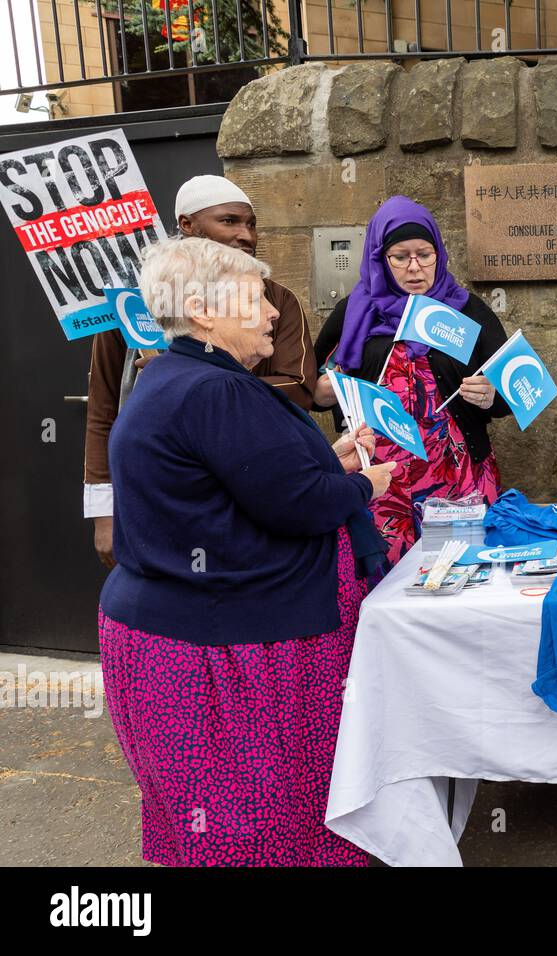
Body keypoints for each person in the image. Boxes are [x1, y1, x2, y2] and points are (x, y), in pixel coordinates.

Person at [98, 236, 397, 866]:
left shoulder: (176, 378)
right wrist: (363, 483)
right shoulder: (216, 391)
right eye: (257, 298)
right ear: (204, 311)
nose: (271, 313)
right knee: (258, 817)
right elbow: (297, 505)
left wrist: (330, 459)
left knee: (211, 817)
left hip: (180, 632)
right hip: (232, 646)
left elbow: (246, 483)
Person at [84, 175, 317, 569]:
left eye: (251, 223)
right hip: (153, 488)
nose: (246, 234)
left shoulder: (275, 299)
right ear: (188, 225)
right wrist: (103, 510)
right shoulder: (131, 301)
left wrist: (188, 377)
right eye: (229, 221)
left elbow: (298, 387)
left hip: (244, 484)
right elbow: (104, 407)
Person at [314, 195, 509, 566]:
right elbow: (313, 386)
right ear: (379, 258)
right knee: (387, 580)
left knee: (466, 571)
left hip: (459, 475)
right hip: (382, 482)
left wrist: (490, 396)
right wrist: (324, 391)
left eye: (425, 254)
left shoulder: (467, 309)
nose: (415, 267)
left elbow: (510, 395)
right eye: (401, 257)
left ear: (439, 252)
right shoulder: (354, 312)